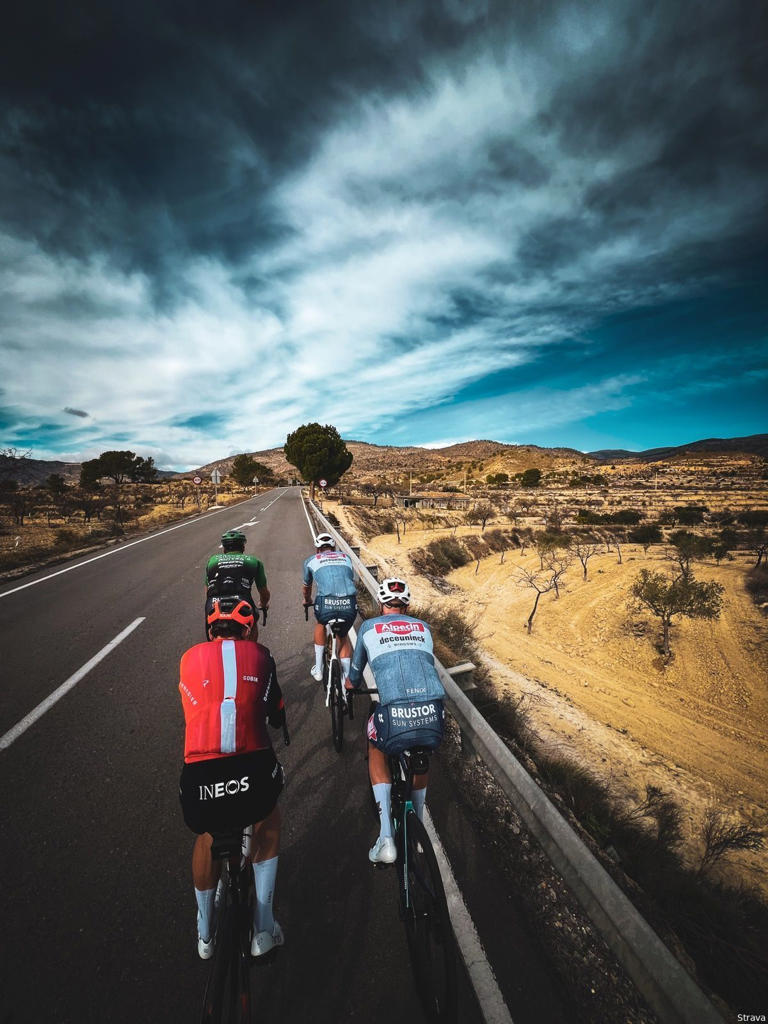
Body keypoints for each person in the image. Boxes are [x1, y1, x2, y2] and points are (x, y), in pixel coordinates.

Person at [178, 596, 286, 958]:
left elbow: (192, 711)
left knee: (208, 833)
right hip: (253, 770)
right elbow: (275, 709)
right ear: (249, 627)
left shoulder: (188, 659)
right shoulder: (261, 655)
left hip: (200, 773)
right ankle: (264, 929)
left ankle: (205, 932)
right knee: (267, 822)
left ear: (210, 628)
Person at [345, 577, 445, 864]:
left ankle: (386, 837)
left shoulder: (367, 628)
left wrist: (351, 686)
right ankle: (420, 828)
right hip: (433, 714)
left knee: (375, 745)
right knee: (421, 754)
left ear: (380, 604)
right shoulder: (424, 628)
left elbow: (354, 675)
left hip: (393, 716)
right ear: (407, 605)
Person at [302, 532, 357, 683]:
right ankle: (347, 676)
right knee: (343, 637)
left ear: (317, 550)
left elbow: (306, 588)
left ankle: (318, 669)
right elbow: (351, 579)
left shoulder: (311, 560)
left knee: (321, 624)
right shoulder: (346, 557)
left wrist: (307, 600)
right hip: (349, 604)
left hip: (325, 605)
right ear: (334, 547)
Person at [205, 530, 270, 640]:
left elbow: (208, 590)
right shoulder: (254, 561)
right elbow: (264, 592)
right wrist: (263, 604)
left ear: (224, 549)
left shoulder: (212, 561)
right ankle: (250, 648)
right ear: (243, 548)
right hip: (242, 601)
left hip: (214, 602)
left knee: (211, 626)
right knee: (253, 622)